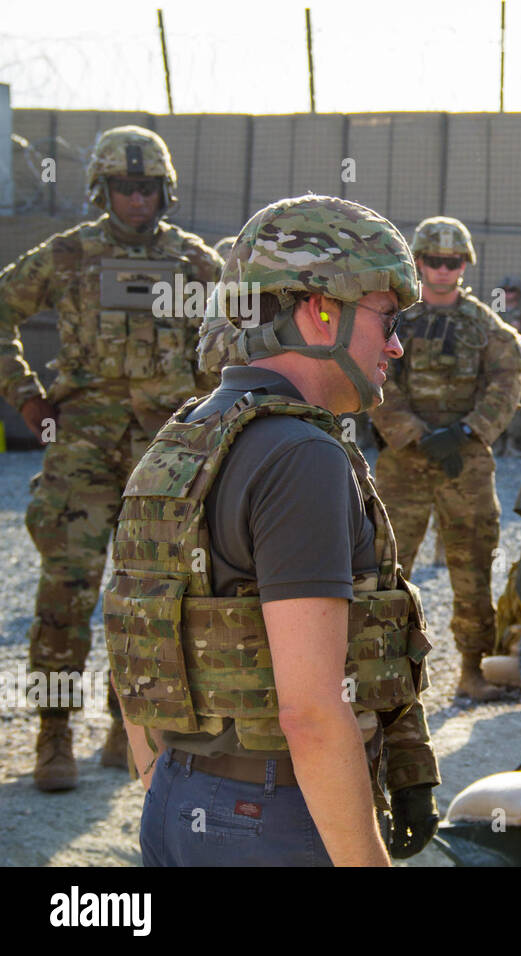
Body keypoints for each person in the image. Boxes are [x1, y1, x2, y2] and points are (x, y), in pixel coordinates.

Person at [108, 194, 439, 866]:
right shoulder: (301, 454)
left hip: (179, 800)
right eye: (387, 317)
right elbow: (311, 714)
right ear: (321, 310)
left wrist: (170, 789)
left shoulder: (183, 437)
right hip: (275, 814)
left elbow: (133, 644)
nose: (396, 344)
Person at [0, 125, 222, 790]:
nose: (136, 198)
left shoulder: (195, 262)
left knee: (154, 594)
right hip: (82, 450)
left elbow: (236, 337)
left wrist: (213, 415)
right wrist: (26, 398)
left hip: (165, 452)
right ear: (102, 189)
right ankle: (54, 734)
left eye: (147, 186)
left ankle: (129, 726)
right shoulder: (68, 254)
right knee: (65, 591)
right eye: (124, 186)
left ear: (165, 191)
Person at [369, 216, 521, 702]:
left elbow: (508, 378)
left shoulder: (484, 324)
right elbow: (375, 375)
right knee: (385, 567)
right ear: (418, 263)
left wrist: (466, 432)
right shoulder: (396, 320)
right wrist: (415, 434)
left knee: (472, 565)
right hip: (405, 462)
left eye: (452, 261)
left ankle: (472, 671)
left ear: (465, 264)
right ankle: (381, 670)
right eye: (434, 260)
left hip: (466, 462)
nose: (443, 269)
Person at [495, 275, 521, 457]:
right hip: (497, 363)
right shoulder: (496, 311)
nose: (508, 295)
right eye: (505, 291)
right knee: (496, 400)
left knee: (516, 402)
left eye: (512, 291)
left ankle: (512, 442)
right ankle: (497, 441)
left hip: (517, 362)